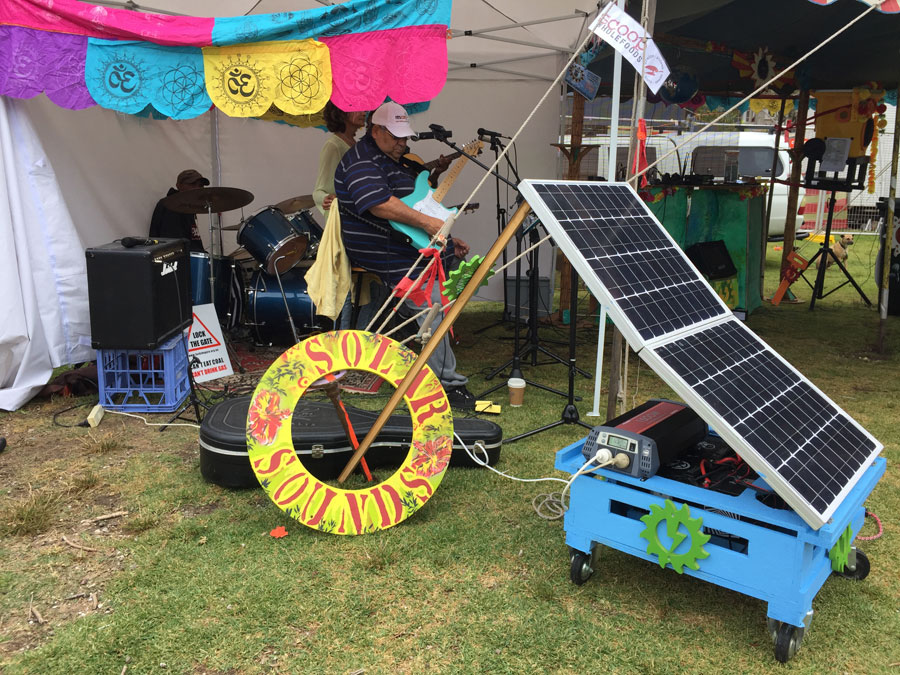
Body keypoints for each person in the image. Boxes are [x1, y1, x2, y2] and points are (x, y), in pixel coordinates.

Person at [334, 101, 474, 410]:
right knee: (431, 304)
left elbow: (417, 203)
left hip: (406, 242)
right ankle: (447, 384)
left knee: (450, 283)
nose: (403, 143)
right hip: (381, 246)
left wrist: (443, 236)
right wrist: (429, 225)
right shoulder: (361, 160)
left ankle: (422, 351)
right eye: (396, 136)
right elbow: (380, 204)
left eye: (405, 137)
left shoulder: (392, 158)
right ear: (376, 130)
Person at [149, 169, 209, 252]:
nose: (198, 188)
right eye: (192, 184)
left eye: (201, 185)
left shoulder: (186, 207)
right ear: (179, 185)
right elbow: (174, 247)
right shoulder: (172, 206)